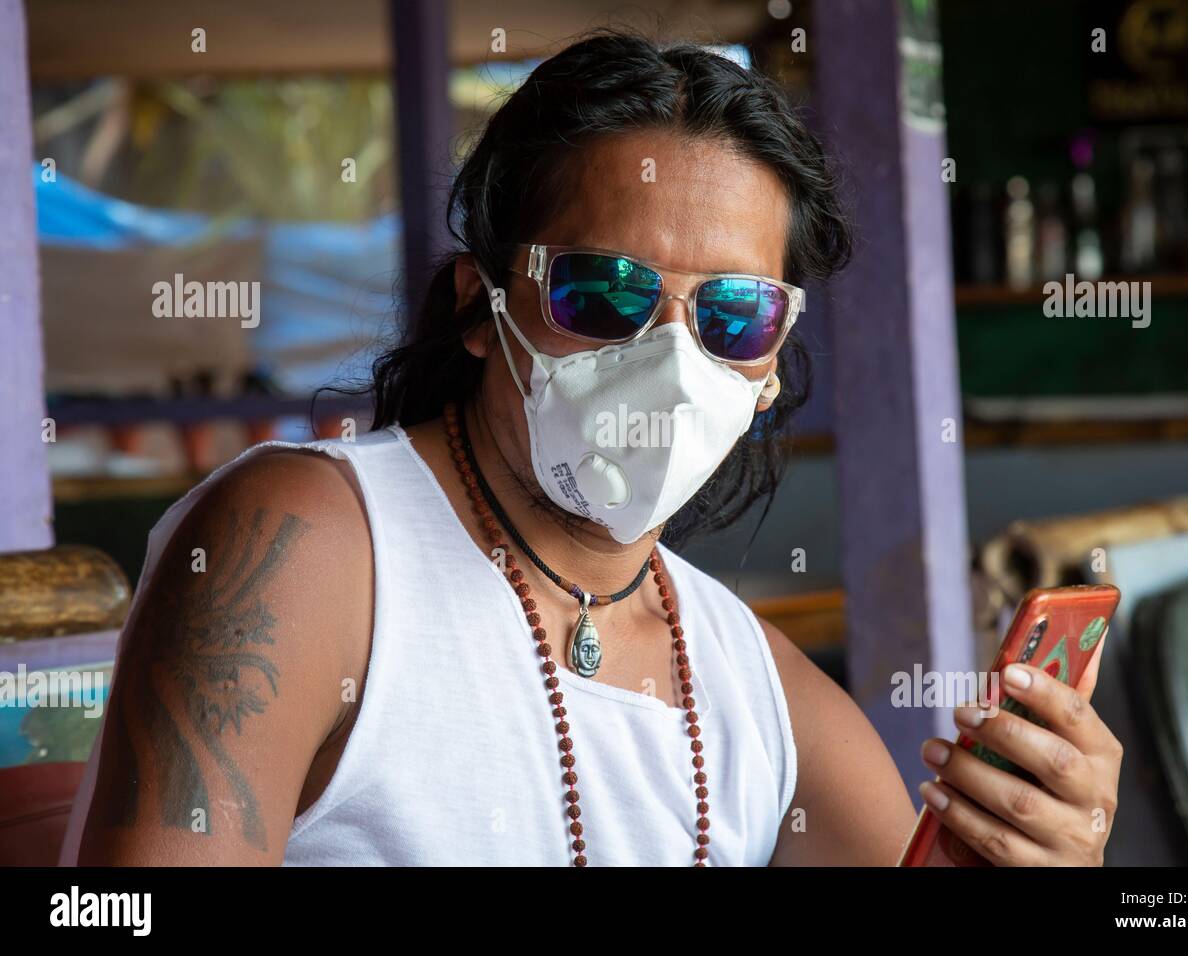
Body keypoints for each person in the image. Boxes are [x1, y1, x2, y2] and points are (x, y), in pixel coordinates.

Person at [62, 31, 1121, 866]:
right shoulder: (305, 549)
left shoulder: (758, 690)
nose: (670, 358)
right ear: (483, 306)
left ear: (769, 367)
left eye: (735, 315)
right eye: (603, 293)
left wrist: (1039, 848)